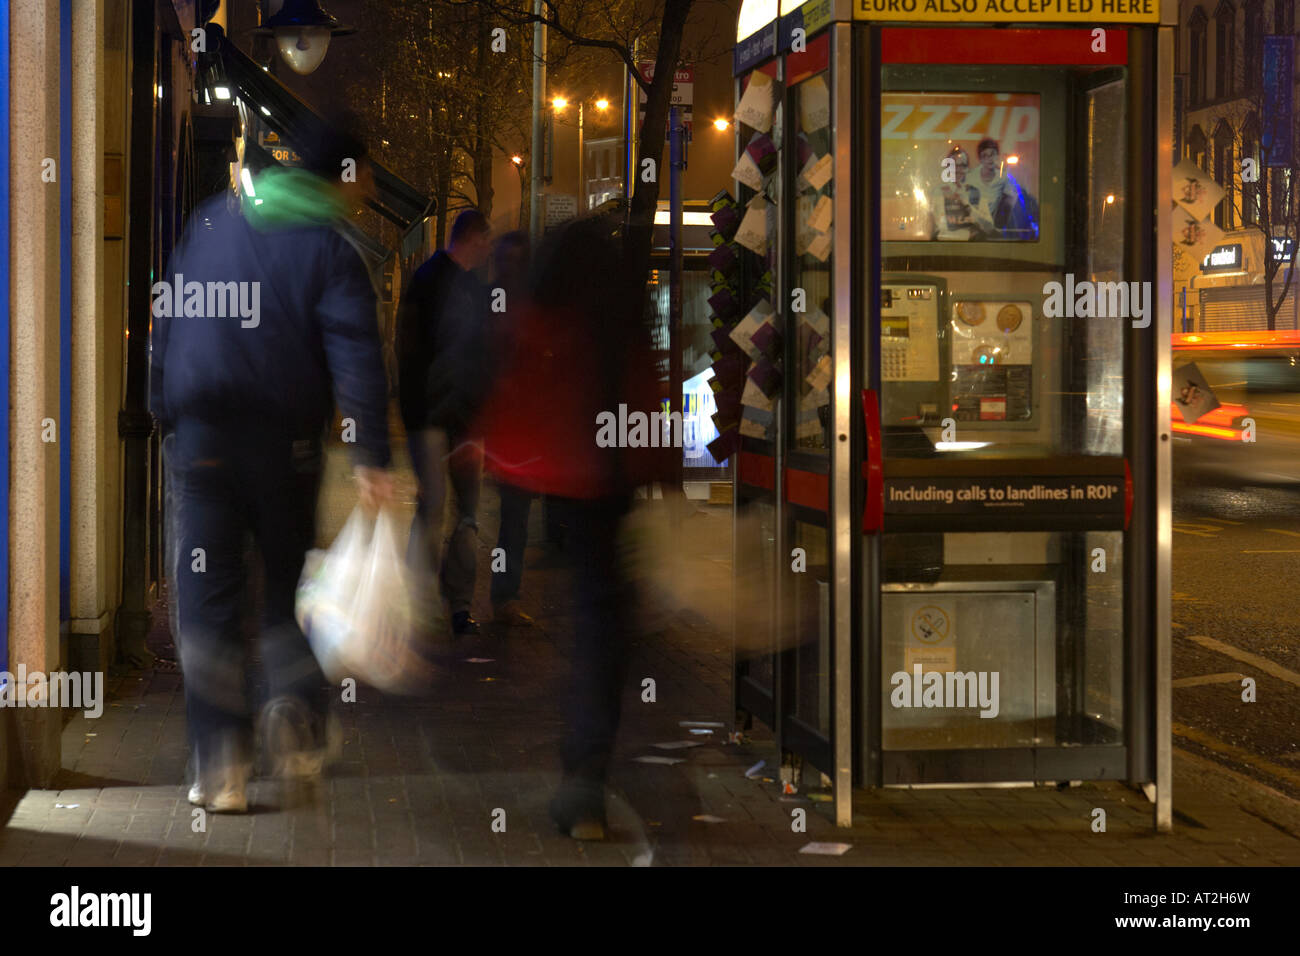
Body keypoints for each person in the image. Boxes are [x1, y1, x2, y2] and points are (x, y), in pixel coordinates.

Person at [150, 122, 395, 814]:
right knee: (287, 583)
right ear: (341, 178)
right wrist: (372, 456)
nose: (368, 192)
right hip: (284, 442)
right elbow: (355, 353)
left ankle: (219, 762)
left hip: (201, 439)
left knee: (207, 596)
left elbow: (167, 316)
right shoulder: (330, 248)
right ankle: (292, 713)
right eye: (365, 178)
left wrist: (160, 410)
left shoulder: (213, 219)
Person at [473, 216, 672, 839]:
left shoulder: (537, 312)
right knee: (602, 631)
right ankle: (587, 781)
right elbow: (645, 401)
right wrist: (667, 481)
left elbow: (511, 387)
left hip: (553, 471)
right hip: (608, 488)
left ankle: (582, 779)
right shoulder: (618, 320)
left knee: (591, 630)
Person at [396, 209, 493, 636]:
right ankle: (454, 606)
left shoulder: (425, 281)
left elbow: (409, 351)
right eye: (484, 242)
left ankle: (426, 604)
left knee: (437, 508)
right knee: (460, 512)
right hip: (452, 420)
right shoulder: (465, 289)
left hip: (440, 419)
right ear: (473, 238)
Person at [485, 231, 536, 628]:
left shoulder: (493, 301)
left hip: (510, 429)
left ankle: (502, 594)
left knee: (511, 517)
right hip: (510, 429)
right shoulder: (520, 305)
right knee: (512, 517)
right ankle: (503, 594)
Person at [975, 137, 1039, 240]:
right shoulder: (976, 192)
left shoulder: (1018, 191)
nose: (990, 160)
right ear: (981, 161)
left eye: (993, 155)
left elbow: (1033, 215)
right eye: (985, 156)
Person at [928, 146, 995, 241]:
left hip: (971, 248)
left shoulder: (976, 192)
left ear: (967, 168)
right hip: (944, 247)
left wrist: (967, 205)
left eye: (962, 165)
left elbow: (989, 228)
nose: (957, 169)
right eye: (953, 165)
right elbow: (932, 227)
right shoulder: (938, 192)